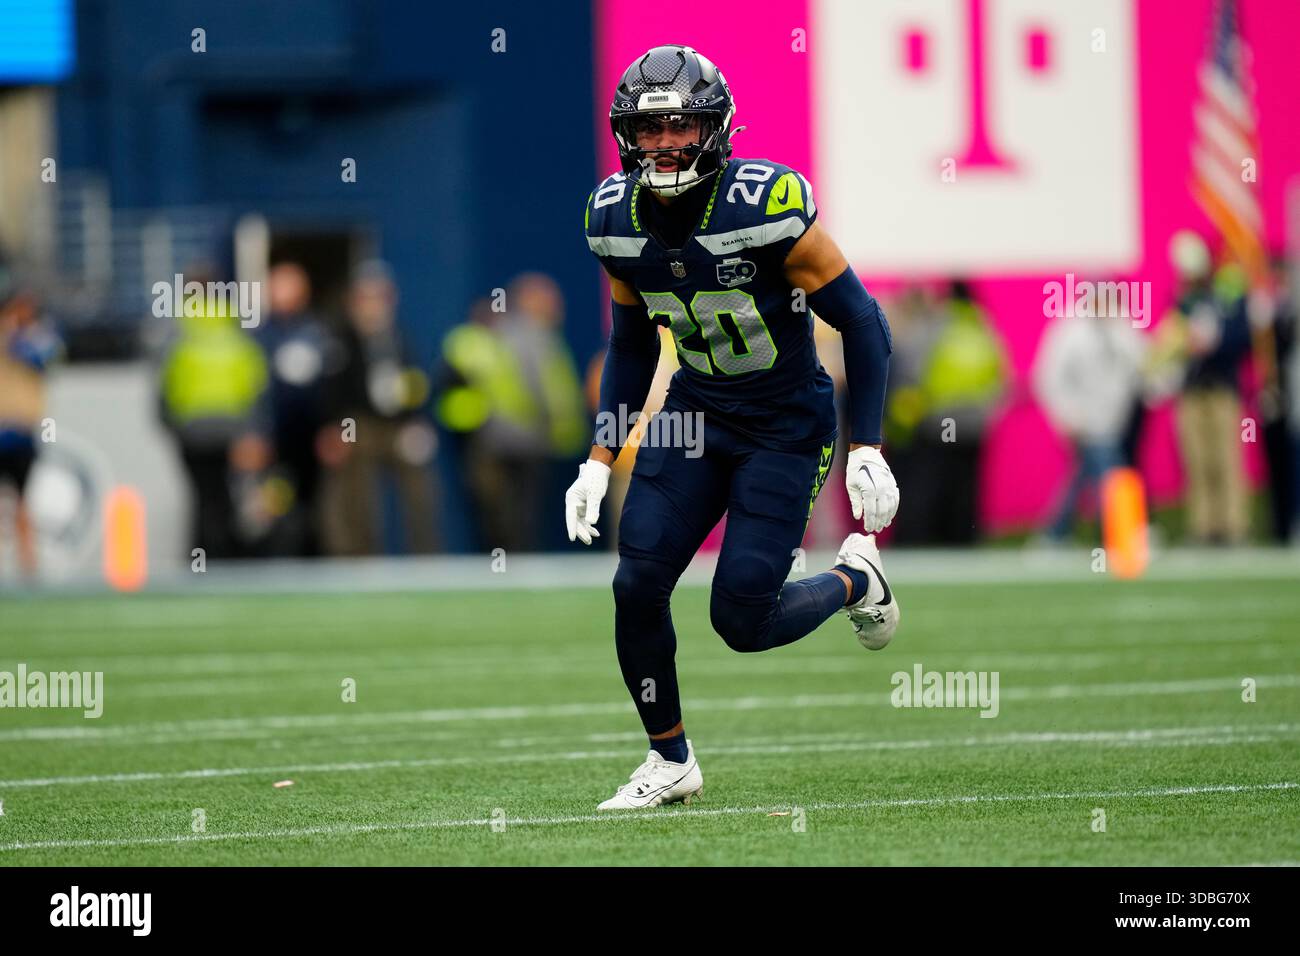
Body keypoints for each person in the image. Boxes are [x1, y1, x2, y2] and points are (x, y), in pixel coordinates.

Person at [566, 45, 899, 810]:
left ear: (714, 127)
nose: (662, 144)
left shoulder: (765, 203)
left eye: (679, 124)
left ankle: (856, 578)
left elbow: (862, 320)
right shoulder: (611, 216)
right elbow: (629, 342)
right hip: (697, 415)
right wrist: (598, 456)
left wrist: (868, 445)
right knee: (636, 581)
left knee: (741, 619)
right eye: (646, 131)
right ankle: (669, 759)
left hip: (785, 424)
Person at [0, 286, 59, 578]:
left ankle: (28, 568)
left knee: (23, 503)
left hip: (22, 434)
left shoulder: (37, 338)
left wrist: (17, 337)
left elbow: (45, 359)